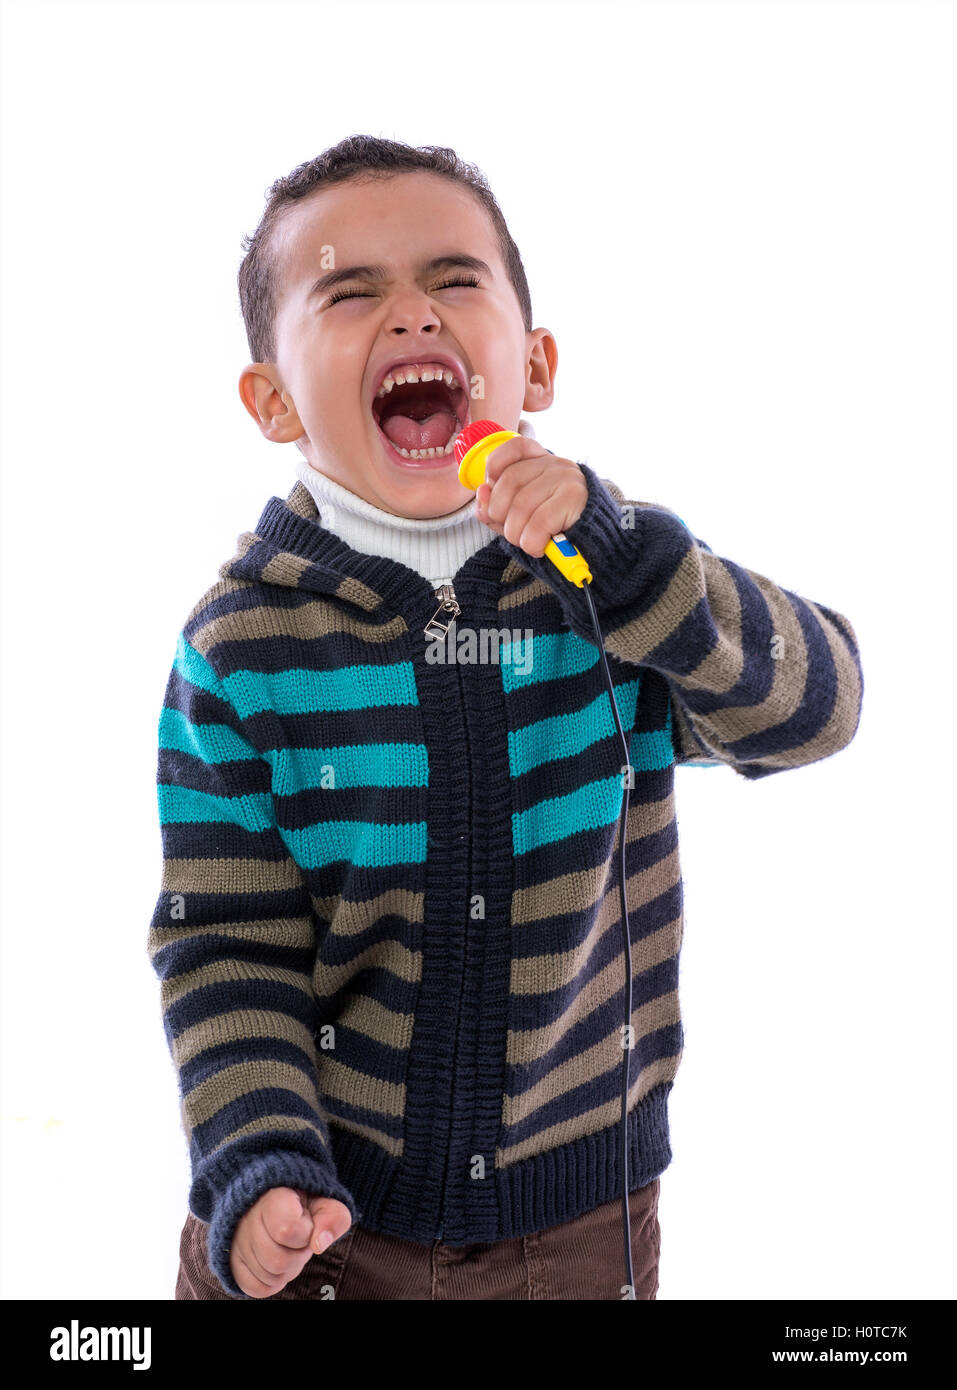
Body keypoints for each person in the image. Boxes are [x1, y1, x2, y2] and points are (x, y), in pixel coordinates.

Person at [148, 134, 864, 1302]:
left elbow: (819, 704)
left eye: (454, 279)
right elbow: (228, 950)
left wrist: (630, 566)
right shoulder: (239, 650)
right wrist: (256, 1165)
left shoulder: (614, 586)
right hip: (321, 1219)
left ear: (532, 365)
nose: (413, 315)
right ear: (273, 399)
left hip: (577, 1230)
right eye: (351, 290)